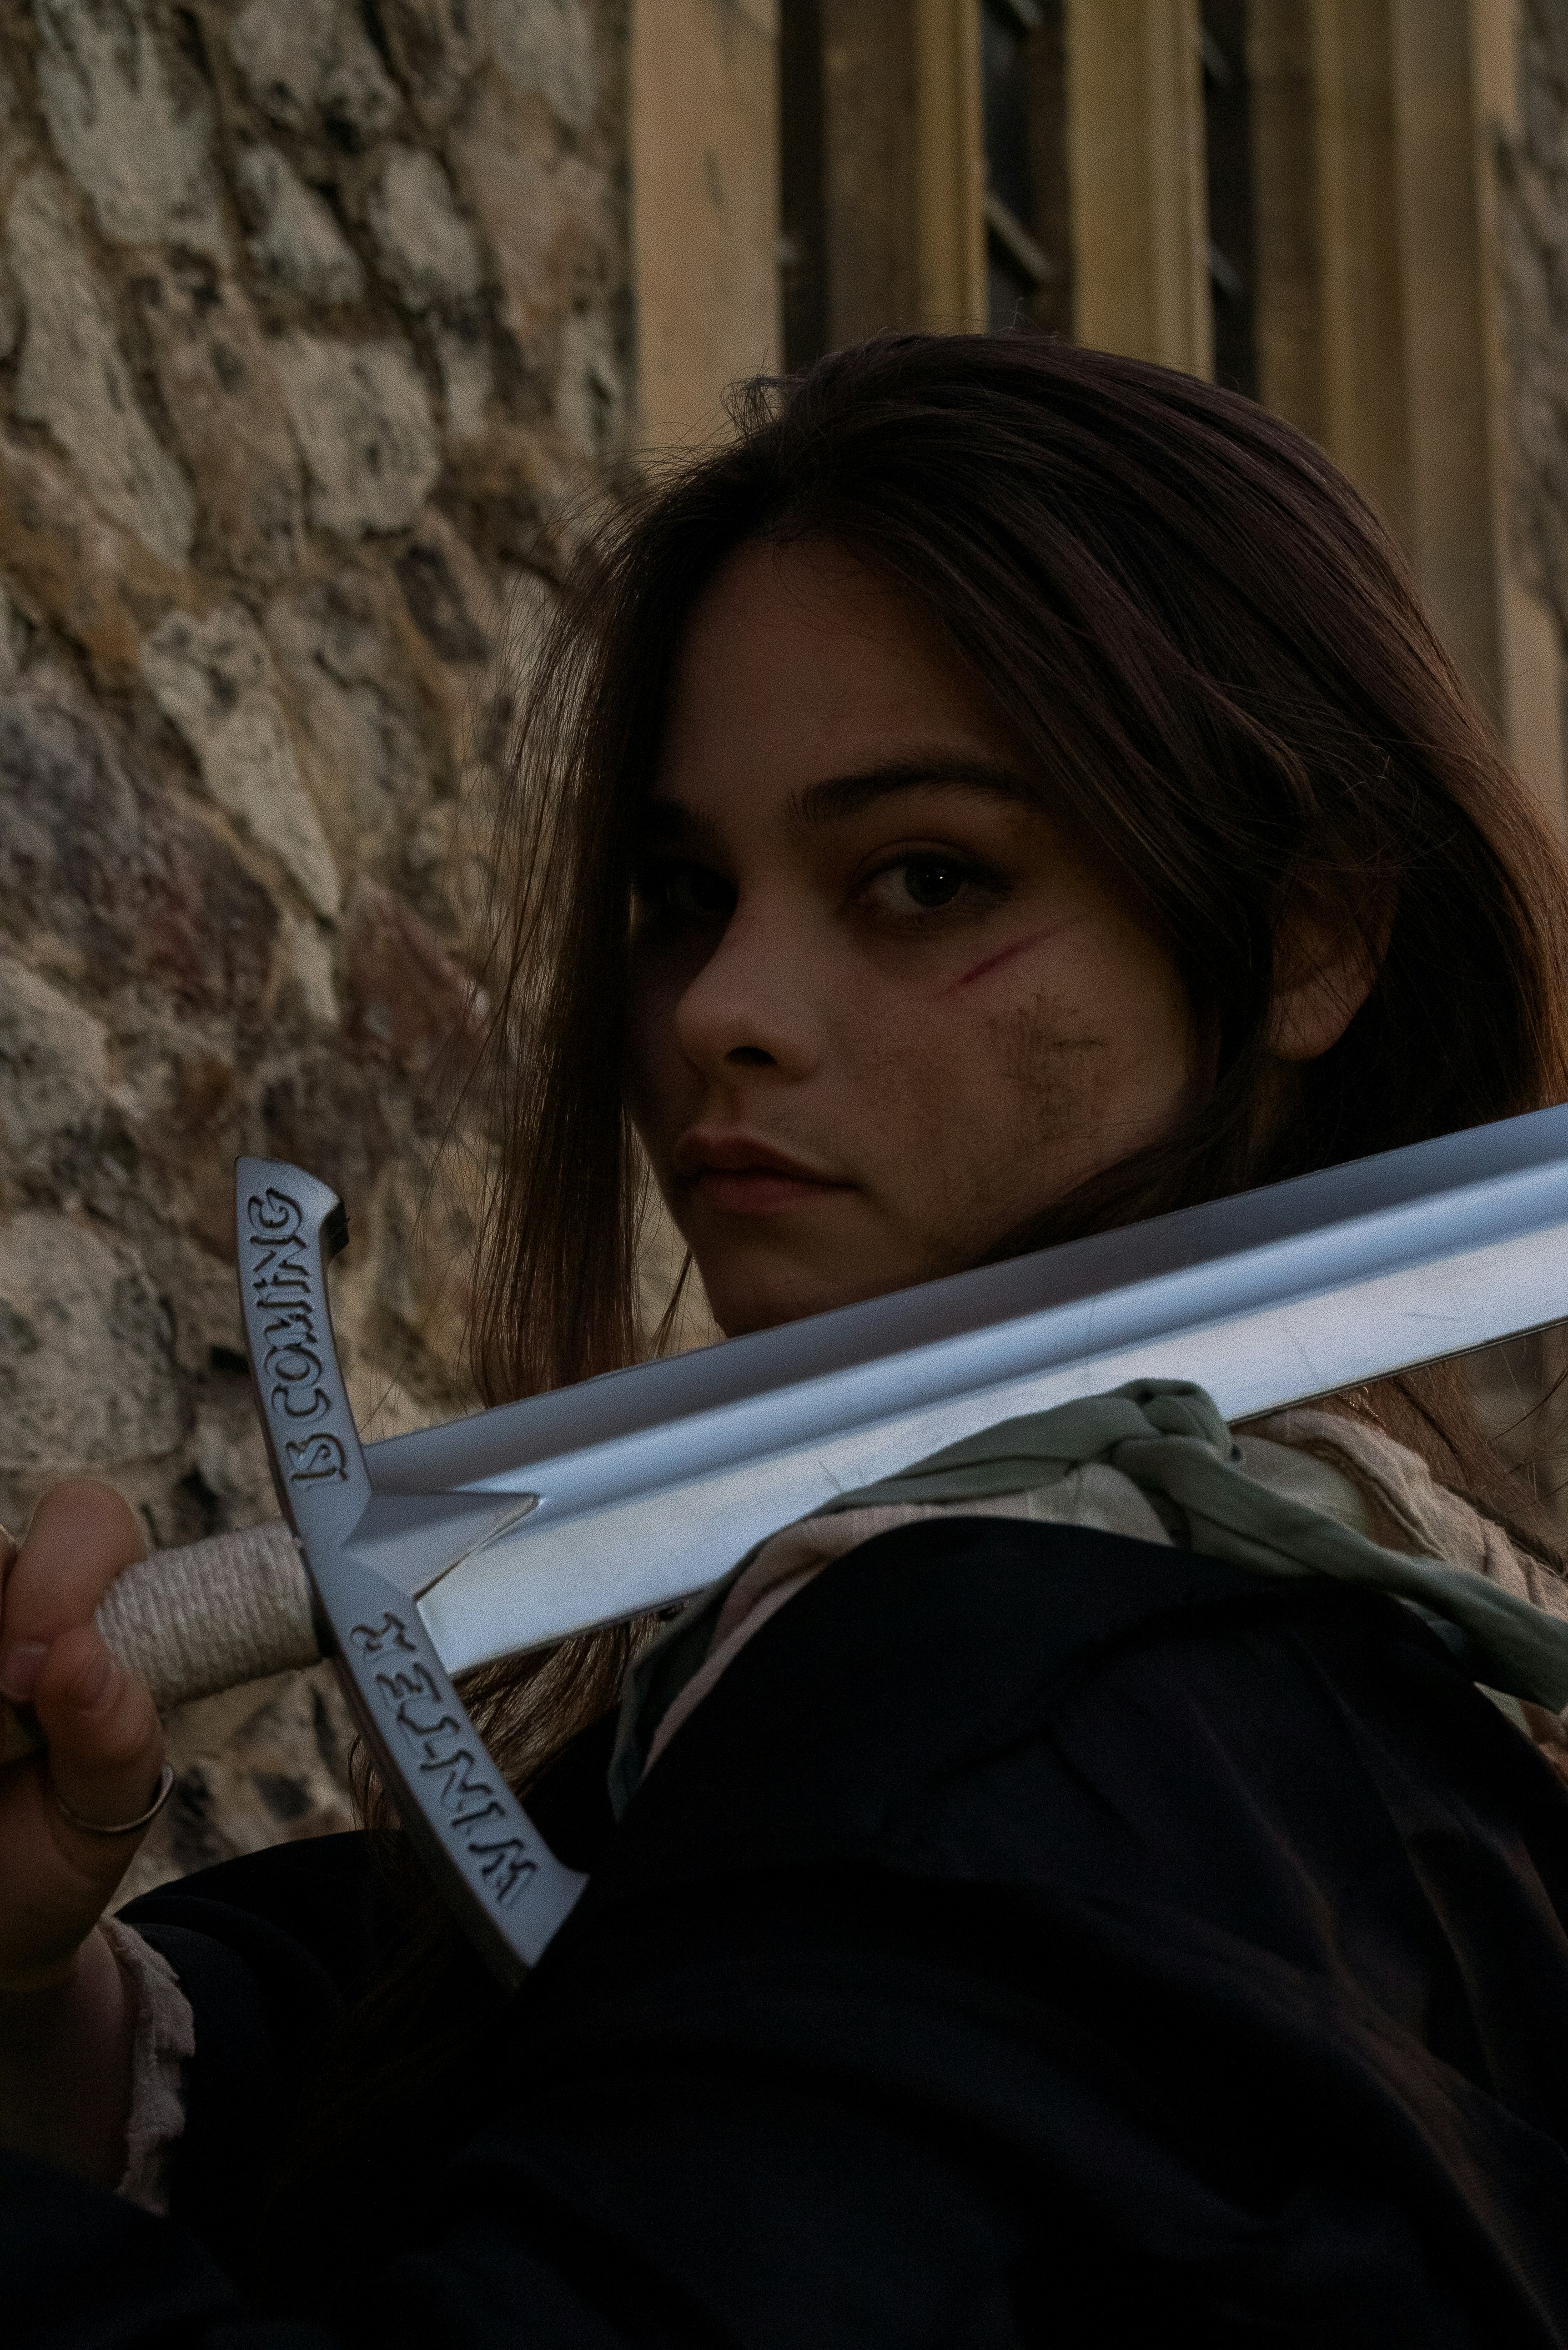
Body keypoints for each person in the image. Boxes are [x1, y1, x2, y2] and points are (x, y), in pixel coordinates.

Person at [8, 333, 1568, 2345]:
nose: (720, 1003)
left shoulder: (1069, 1721)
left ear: (1307, 938)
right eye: (681, 887)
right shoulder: (1040, 1704)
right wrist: (41, 2018)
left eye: (926, 876)